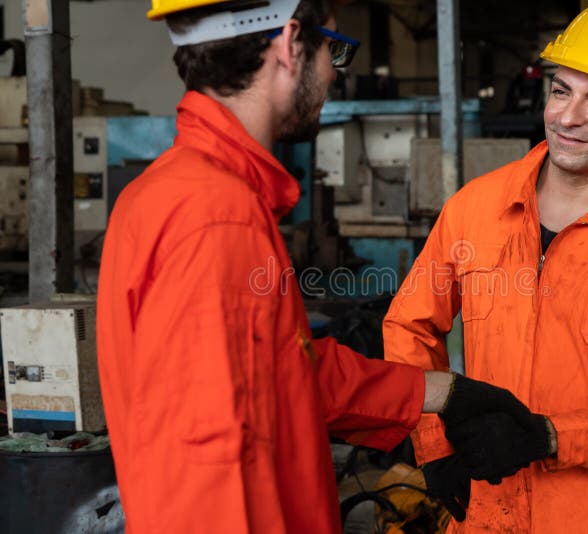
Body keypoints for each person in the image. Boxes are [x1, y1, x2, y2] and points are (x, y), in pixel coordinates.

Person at [96, 1, 533, 532]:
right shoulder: (218, 218)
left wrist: (440, 393)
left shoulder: (161, 192)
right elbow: (209, 469)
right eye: (334, 49)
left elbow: (286, 376)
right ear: (289, 43)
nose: (332, 73)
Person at [383, 1, 588, 532]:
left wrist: (548, 437)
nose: (568, 116)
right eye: (561, 90)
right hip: (484, 509)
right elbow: (410, 325)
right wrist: (434, 444)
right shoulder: (474, 210)